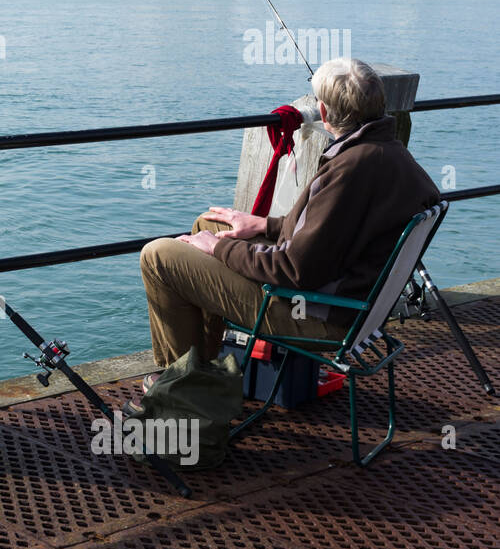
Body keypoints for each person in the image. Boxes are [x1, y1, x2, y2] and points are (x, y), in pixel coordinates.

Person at [137, 58, 441, 392]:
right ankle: (203, 370)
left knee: (159, 256)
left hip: (317, 318)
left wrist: (220, 248)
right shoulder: (391, 156)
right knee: (207, 224)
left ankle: (182, 389)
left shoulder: (349, 171)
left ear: (323, 114)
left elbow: (294, 270)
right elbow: (330, 230)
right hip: (355, 308)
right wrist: (264, 225)